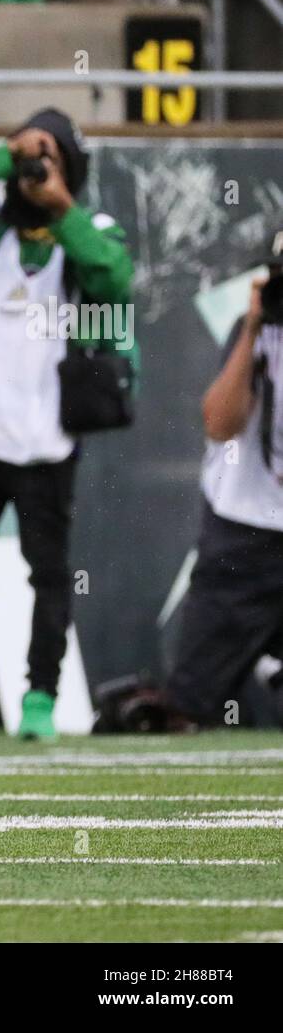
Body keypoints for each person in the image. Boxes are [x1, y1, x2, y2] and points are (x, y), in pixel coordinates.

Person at [0, 108, 136, 740]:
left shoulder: (91, 228)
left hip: (45, 438)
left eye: (50, 162)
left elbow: (114, 280)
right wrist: (4, 155)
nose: (36, 175)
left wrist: (60, 205)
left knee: (48, 574)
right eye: (30, 164)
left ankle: (40, 696)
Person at [158, 241, 283, 728]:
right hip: (245, 527)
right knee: (190, 702)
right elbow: (220, 423)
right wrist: (253, 326)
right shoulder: (255, 330)